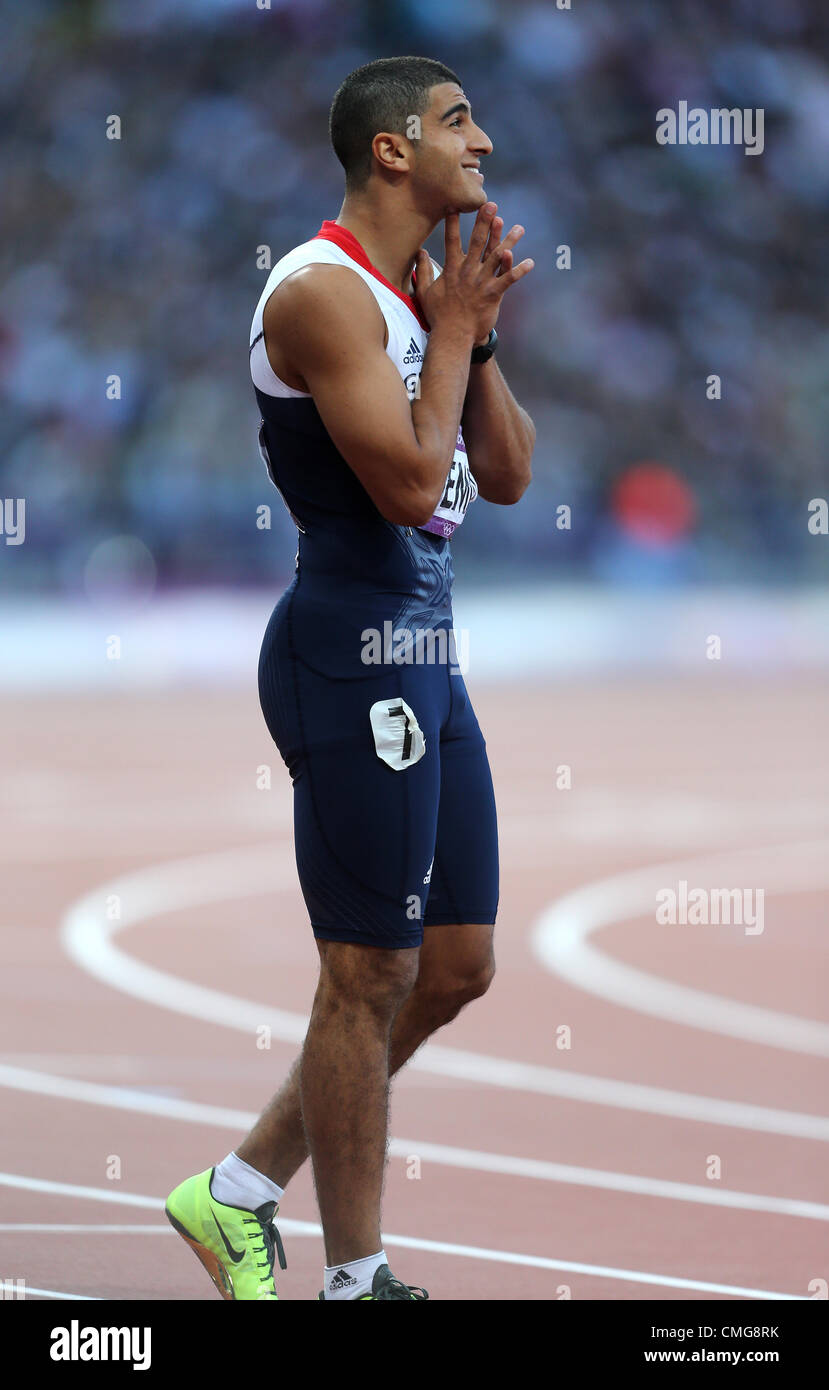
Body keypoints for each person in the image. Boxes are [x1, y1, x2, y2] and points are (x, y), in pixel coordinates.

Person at [166, 54, 535, 1302]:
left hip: (427, 646)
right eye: (457, 121)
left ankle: (234, 1191)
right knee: (366, 970)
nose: (482, 143)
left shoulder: (417, 294)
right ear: (391, 149)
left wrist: (471, 333)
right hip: (349, 642)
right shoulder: (318, 293)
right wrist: (453, 328)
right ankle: (356, 1277)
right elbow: (413, 487)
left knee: (456, 964)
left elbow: (509, 474)